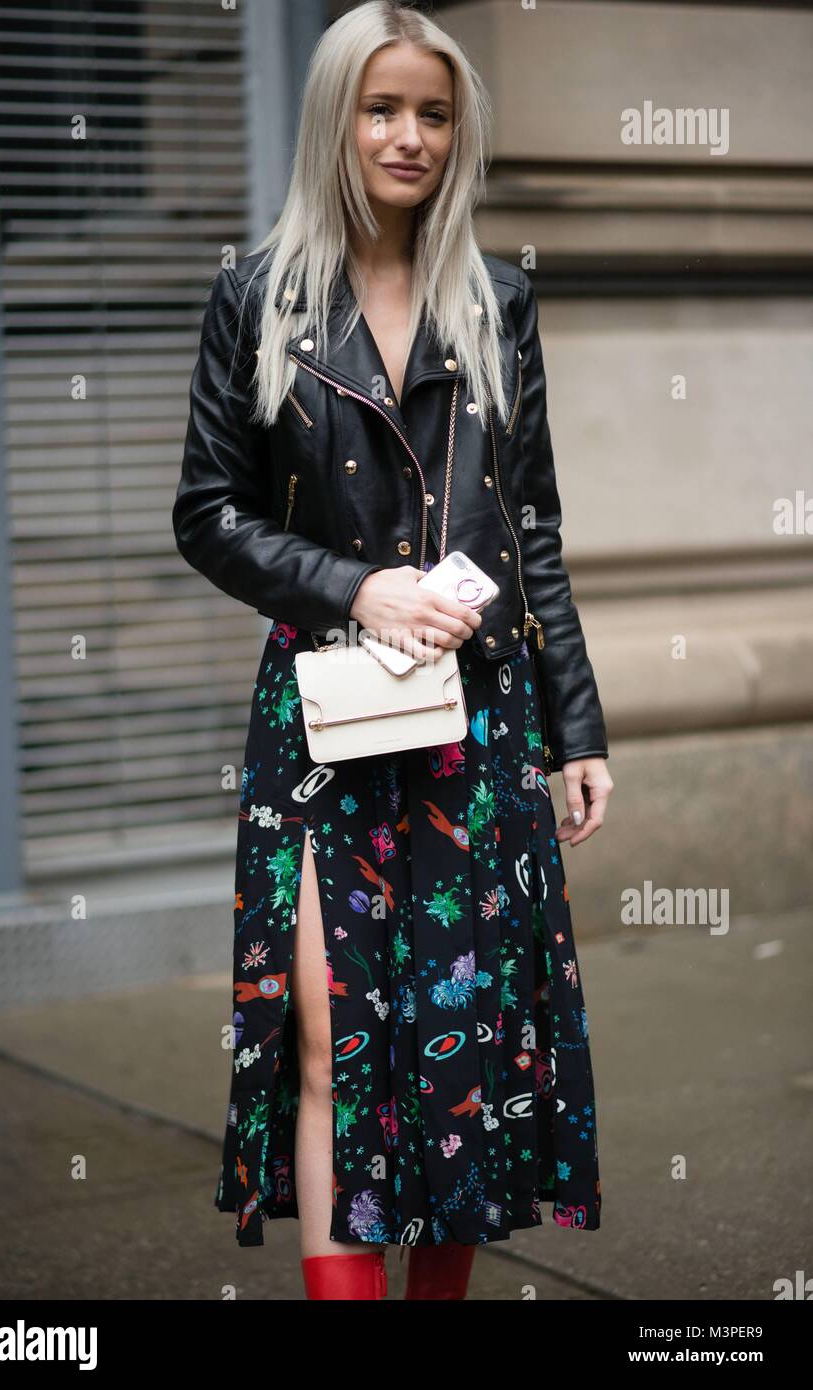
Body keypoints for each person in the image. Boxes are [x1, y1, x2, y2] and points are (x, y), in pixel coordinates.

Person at [173, 0, 613, 1301]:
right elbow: (208, 515)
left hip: (474, 732)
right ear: (335, 120)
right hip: (322, 730)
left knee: (458, 1057)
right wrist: (361, 585)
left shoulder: (500, 303)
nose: (408, 134)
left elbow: (532, 530)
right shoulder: (258, 297)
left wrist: (575, 726)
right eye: (382, 107)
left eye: (432, 111)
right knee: (332, 1046)